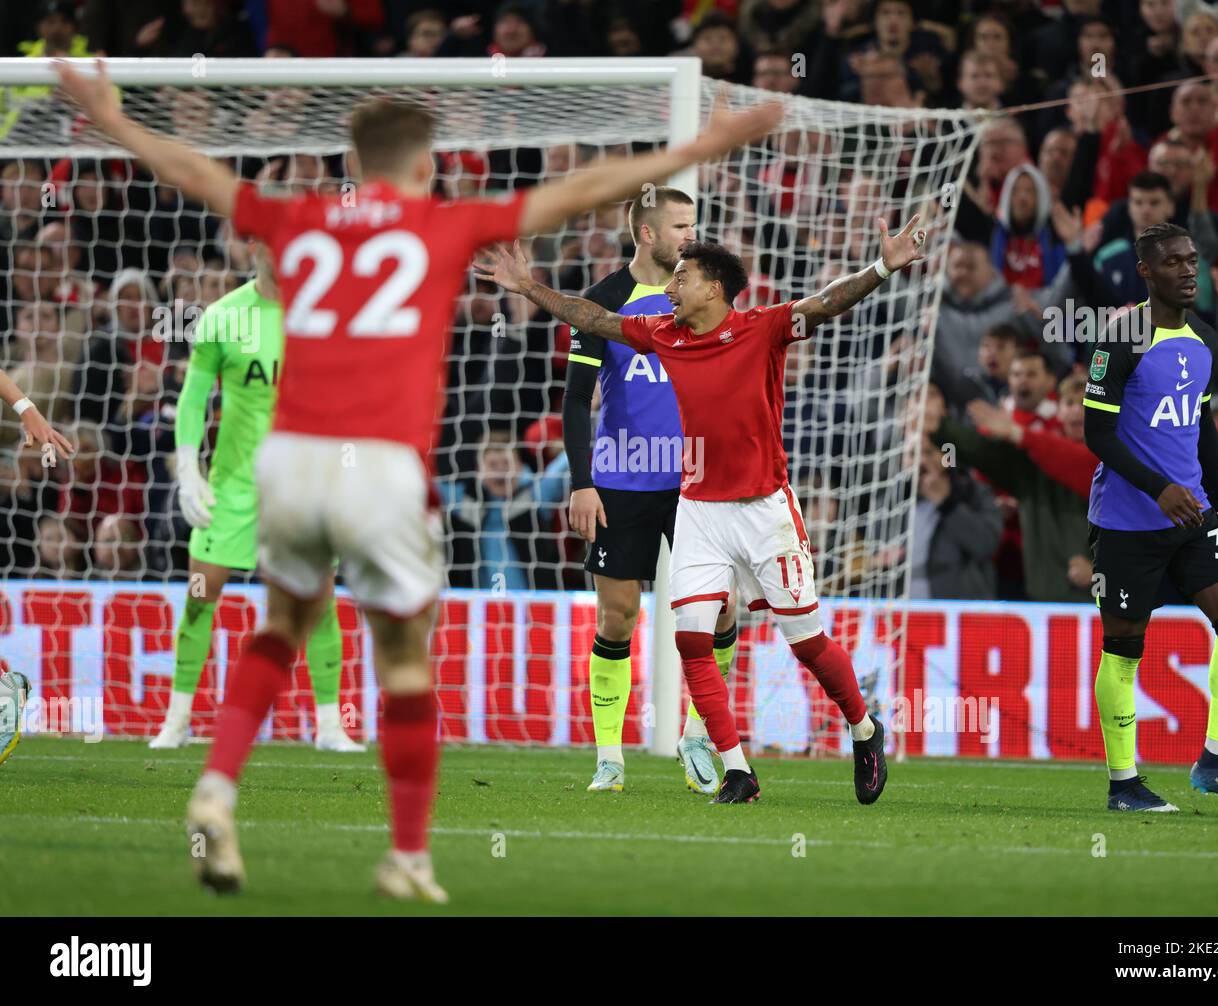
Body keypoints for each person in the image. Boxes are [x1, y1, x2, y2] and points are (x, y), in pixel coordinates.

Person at [56, 57, 781, 898]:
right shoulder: (444, 227)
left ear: (353, 166)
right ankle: (406, 856)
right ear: (428, 167)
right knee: (403, 659)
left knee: (280, 626)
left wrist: (112, 120)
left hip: (285, 461)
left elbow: (197, 173)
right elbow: (584, 190)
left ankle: (217, 786)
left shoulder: (299, 222)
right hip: (380, 467)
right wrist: (697, 144)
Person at [476, 214, 926, 805]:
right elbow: (595, 319)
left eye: (681, 277)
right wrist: (529, 288)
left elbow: (823, 304)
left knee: (806, 642)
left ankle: (864, 731)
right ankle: (736, 769)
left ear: (713, 288)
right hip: (700, 511)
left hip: (765, 509)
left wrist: (883, 266)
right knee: (691, 639)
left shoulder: (762, 329)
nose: (670, 287)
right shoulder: (664, 333)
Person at [1083, 222, 1218, 814]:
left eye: (1192, 260)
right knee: (1123, 648)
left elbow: (1203, 423)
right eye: (1173, 262)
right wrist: (1159, 488)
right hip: (1127, 519)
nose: (1188, 270)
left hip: (1193, 513)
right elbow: (1097, 432)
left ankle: (1216, 761)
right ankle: (1124, 785)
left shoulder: (1205, 337)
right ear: (1145, 271)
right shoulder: (1119, 337)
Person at [149, 242, 362, 754]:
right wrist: (186, 466)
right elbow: (194, 396)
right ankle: (176, 721)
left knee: (318, 600)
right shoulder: (223, 317)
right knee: (201, 594)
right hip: (235, 486)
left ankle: (331, 726)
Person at [562, 186, 737, 797]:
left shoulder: (700, 296)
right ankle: (609, 757)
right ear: (647, 234)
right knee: (618, 617)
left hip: (695, 482)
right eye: (681, 226)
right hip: (620, 482)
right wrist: (582, 483)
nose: (691, 235)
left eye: (694, 225)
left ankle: (696, 735)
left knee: (720, 611)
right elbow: (576, 400)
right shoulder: (606, 303)